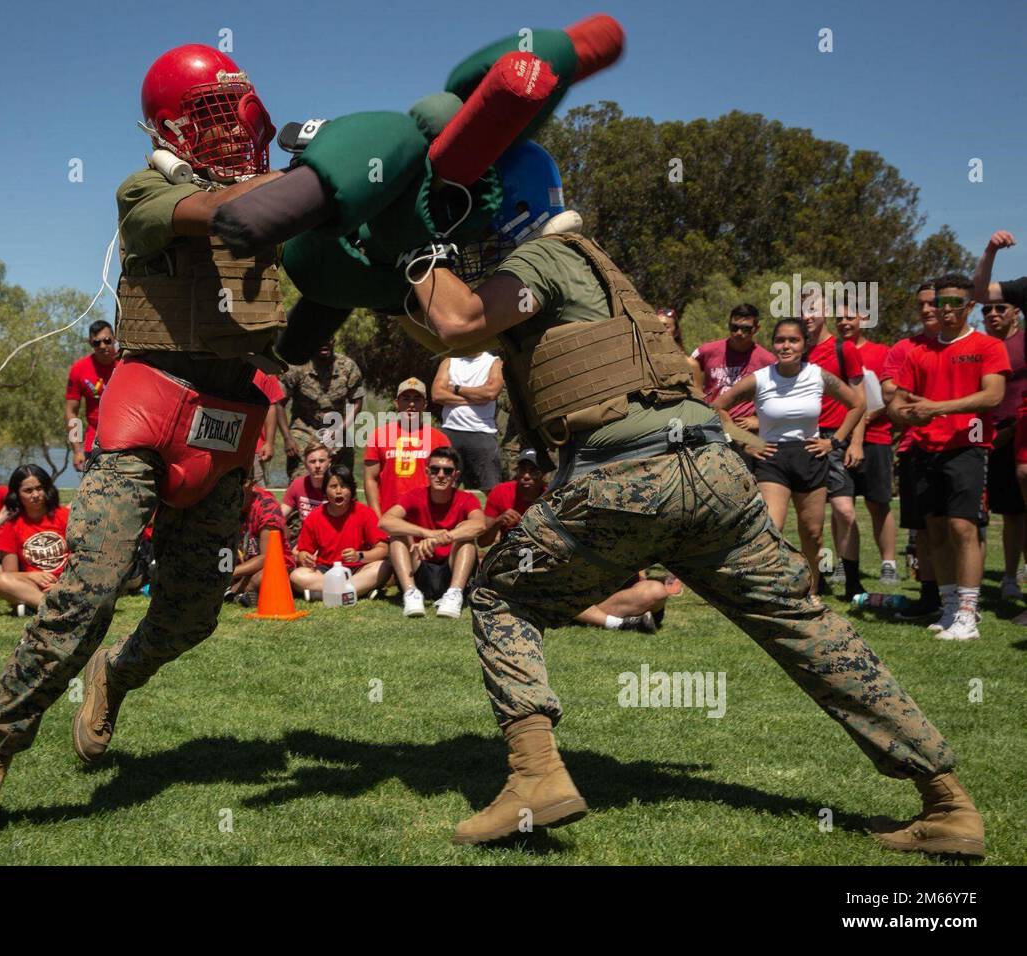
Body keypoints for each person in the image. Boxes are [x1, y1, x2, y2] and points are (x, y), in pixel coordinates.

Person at [407, 140, 982, 856]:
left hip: (626, 479)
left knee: (500, 597)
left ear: (503, 208)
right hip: (712, 476)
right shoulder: (595, 273)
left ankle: (535, 776)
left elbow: (457, 321)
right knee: (806, 627)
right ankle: (948, 803)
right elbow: (444, 319)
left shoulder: (541, 259)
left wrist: (410, 246)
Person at [0, 44, 288, 846]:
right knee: (89, 588)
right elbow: (233, 214)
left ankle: (118, 676)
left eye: (239, 110)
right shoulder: (147, 186)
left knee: (196, 614)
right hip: (148, 406)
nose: (237, 129)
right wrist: (315, 187)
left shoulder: (276, 198)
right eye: (215, 115)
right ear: (171, 127)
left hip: (229, 417)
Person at [888, 273, 1009, 640]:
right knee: (936, 530)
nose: (947, 309)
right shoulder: (918, 352)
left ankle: (969, 614)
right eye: (941, 302)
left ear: (970, 306)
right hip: (925, 450)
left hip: (969, 445)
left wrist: (937, 408)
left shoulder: (987, 346)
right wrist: (904, 413)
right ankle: (950, 606)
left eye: (956, 302)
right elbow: (896, 403)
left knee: (962, 527)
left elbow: (993, 396)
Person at [715, 317, 865, 597]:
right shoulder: (761, 378)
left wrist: (834, 441)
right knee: (772, 527)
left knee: (813, 534)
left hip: (811, 455)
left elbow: (857, 404)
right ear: (773, 344)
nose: (786, 346)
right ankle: (772, 588)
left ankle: (812, 589)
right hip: (772, 458)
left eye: (793, 340)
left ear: (804, 344)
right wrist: (748, 440)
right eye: (780, 340)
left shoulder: (818, 376)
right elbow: (718, 407)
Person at [881, 283, 942, 620]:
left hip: (960, 446)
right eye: (922, 304)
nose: (927, 310)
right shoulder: (905, 347)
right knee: (922, 528)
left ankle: (964, 600)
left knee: (960, 526)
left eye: (934, 303)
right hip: (914, 446)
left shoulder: (967, 346)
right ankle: (930, 599)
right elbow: (890, 391)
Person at [801, 291, 866, 596]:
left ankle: (853, 581)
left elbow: (860, 401)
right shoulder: (796, 351)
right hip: (806, 438)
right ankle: (818, 578)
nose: (808, 316)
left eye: (814, 309)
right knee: (812, 516)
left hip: (837, 438)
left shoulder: (845, 349)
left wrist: (855, 442)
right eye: (804, 310)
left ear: (825, 311)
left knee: (844, 511)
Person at [832, 307, 898, 590]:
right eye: (840, 318)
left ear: (863, 319)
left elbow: (893, 395)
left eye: (851, 317)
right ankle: (840, 562)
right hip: (839, 438)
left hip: (877, 438)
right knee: (840, 506)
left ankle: (889, 564)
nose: (845, 322)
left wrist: (869, 415)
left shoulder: (882, 352)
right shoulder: (833, 352)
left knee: (878, 503)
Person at [378, 445, 485, 618]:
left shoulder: (467, 499)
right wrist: (427, 533)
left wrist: (442, 538)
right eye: (435, 470)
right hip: (420, 567)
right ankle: (411, 594)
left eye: (447, 471)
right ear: (427, 472)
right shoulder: (414, 496)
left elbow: (479, 525)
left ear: (455, 475)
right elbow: (385, 521)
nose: (441, 475)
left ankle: (454, 594)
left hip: (452, 570)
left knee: (466, 538)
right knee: (398, 537)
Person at [980, 293, 1027, 598]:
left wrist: (1013, 428)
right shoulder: (982, 347)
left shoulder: (1023, 343)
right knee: (1007, 513)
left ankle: (1015, 574)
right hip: (989, 438)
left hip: (1021, 435)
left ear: (1016, 312)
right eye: (987, 309)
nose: (992, 314)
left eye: (1000, 308)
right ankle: (1008, 578)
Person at [290, 464, 389, 601]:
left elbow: (383, 549)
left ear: (351, 489)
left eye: (343, 486)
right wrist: (305, 557)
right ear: (325, 490)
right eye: (333, 486)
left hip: (358, 570)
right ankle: (354, 592)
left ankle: (323, 594)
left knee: (383, 567)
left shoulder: (365, 513)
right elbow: (303, 552)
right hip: (324, 572)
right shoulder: (315, 516)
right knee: (297, 576)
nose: (338, 491)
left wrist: (359, 556)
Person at [362, 378, 451, 514]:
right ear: (396, 403)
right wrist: (376, 517)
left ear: (425, 404)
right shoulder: (379, 435)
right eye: (405, 399)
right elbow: (370, 479)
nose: (411, 404)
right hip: (389, 515)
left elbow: (447, 480)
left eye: (417, 399)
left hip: (426, 516)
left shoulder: (440, 439)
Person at [0, 465, 70, 614]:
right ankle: (51, 609)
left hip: (68, 582)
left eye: (39, 488)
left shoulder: (65, 516)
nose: (35, 494)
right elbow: (10, 573)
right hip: (35, 587)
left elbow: (81, 559)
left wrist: (63, 584)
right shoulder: (11, 527)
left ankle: (37, 607)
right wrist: (32, 575)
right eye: (28, 491)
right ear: (17, 494)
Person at [280, 340, 365, 478]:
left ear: (334, 341)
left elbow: (356, 402)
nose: (324, 343)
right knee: (301, 479)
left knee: (344, 481)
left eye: (328, 338)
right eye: (320, 338)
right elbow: (278, 403)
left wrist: (340, 429)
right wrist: (287, 437)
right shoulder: (297, 367)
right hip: (304, 430)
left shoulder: (348, 366)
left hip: (336, 429)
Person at [689, 304, 774, 434]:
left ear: (756, 328)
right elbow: (688, 371)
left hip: (745, 430)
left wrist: (760, 420)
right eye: (734, 327)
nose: (739, 333)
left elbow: (780, 396)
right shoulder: (706, 351)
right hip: (712, 424)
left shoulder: (767, 360)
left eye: (746, 329)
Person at [432, 351, 504, 492]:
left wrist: (457, 389)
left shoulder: (494, 362)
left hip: (482, 433)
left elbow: (491, 393)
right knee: (443, 488)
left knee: (492, 490)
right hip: (450, 432)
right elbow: (437, 394)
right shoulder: (449, 361)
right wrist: (474, 399)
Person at [226, 478, 288, 606]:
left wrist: (228, 574)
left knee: (266, 576)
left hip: (271, 565)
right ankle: (233, 592)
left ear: (249, 483)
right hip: (237, 567)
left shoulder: (267, 507)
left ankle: (230, 592)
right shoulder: (224, 505)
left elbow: (267, 557)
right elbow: (223, 545)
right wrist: (222, 571)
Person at [65, 320, 118, 472]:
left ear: (114, 339)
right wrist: (77, 450)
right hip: (93, 444)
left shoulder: (125, 364)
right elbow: (71, 412)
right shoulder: (79, 369)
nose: (103, 346)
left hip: (125, 441)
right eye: (97, 343)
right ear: (90, 343)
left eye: (107, 341)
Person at [478, 447, 546, 548]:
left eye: (533, 471)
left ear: (543, 474)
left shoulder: (550, 497)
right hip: (510, 552)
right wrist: (498, 522)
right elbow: (482, 542)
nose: (526, 476)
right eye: (522, 470)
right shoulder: (500, 492)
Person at [280, 441, 331, 545]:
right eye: (312, 461)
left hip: (331, 541)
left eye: (321, 461)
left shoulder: (338, 486)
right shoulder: (298, 484)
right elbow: (278, 515)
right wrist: (285, 531)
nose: (317, 465)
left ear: (329, 462)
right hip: (306, 543)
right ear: (305, 465)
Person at [252, 369, 285, 487]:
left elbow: (271, 405)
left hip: (254, 446)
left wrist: (269, 442)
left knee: (256, 489)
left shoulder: (264, 369)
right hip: (226, 442)